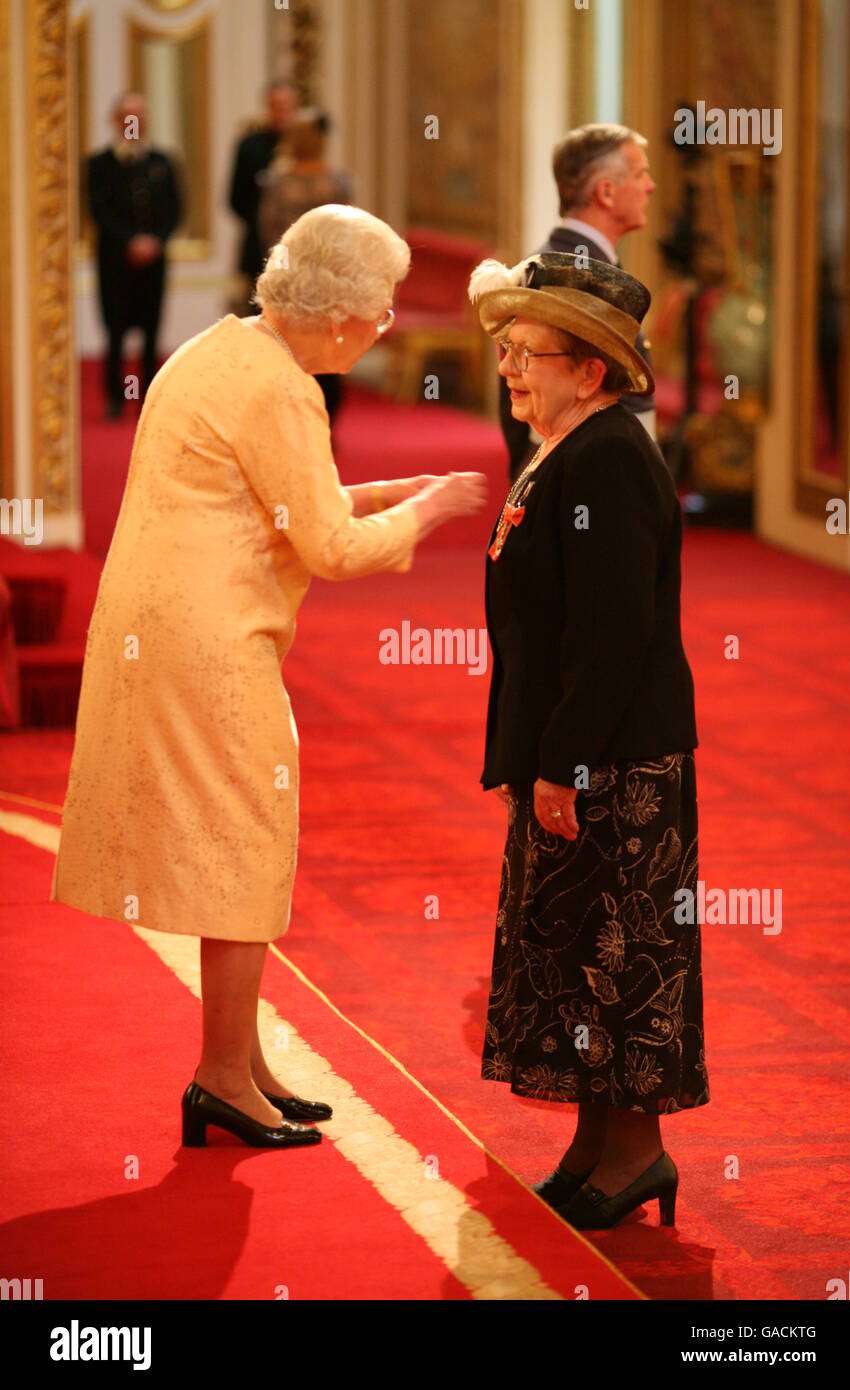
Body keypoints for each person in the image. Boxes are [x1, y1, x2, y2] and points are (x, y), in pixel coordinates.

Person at [50, 205, 487, 1152]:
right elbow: (329, 544)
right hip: (209, 638)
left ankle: (240, 1062)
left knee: (228, 837)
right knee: (242, 841)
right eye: (380, 314)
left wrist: (393, 497)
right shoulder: (285, 390)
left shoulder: (223, 349)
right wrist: (435, 509)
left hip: (156, 625)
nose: (381, 332)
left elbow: (295, 497)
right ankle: (219, 1076)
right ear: (339, 315)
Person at [469, 250, 707, 1230]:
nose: (509, 369)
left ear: (590, 371)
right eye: (507, 350)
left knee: (620, 955)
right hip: (577, 751)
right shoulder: (563, 441)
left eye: (529, 353)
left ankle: (638, 1151)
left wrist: (561, 765)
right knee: (575, 954)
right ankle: (594, 1143)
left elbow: (609, 638)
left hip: (613, 763)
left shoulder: (606, 457)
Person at [500, 123, 657, 480]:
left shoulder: (548, 263)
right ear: (607, 191)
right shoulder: (577, 279)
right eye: (641, 174)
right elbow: (542, 417)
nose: (650, 185)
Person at [257, 106, 355, 427]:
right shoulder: (336, 182)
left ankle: (301, 423)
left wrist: (281, 279)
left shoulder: (280, 184)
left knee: (296, 352)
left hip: (300, 282)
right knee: (327, 351)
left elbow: (271, 236)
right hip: (325, 281)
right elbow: (347, 233)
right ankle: (323, 421)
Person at [87, 92, 181, 418]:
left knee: (150, 332)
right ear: (116, 120)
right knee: (116, 331)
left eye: (139, 115)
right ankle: (117, 397)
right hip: (116, 263)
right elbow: (98, 211)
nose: (134, 122)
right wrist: (129, 241)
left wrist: (155, 241)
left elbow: (175, 210)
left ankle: (145, 397)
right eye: (128, 116)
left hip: (152, 263)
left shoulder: (162, 162)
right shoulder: (100, 165)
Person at [228, 80, 298, 313]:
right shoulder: (250, 147)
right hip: (258, 249)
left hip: (299, 250)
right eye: (275, 105)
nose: (281, 112)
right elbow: (235, 200)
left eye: (286, 106)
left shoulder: (304, 148)